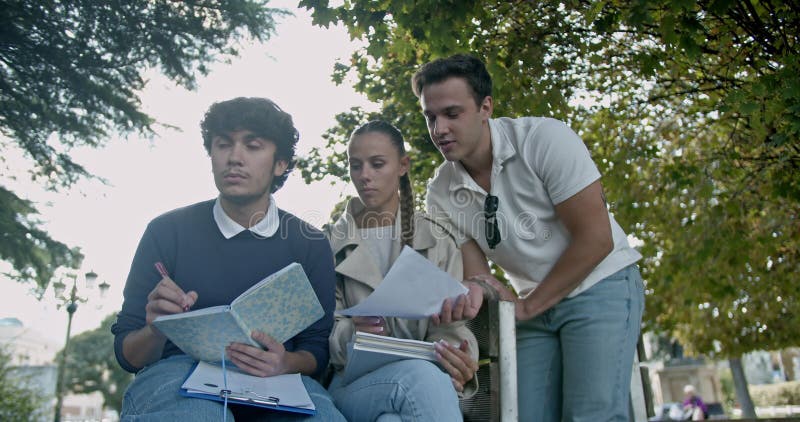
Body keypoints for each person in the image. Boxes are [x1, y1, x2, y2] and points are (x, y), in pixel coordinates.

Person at [412, 53, 645, 421]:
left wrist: (526, 307)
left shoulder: (544, 139)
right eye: (430, 117)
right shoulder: (440, 191)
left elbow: (597, 238)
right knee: (520, 415)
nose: (439, 129)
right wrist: (471, 300)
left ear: (485, 107)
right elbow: (478, 278)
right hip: (530, 306)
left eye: (452, 114)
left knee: (589, 414)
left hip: (600, 284)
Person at [111, 97, 345, 421]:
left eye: (252, 146)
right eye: (223, 145)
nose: (234, 158)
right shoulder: (166, 231)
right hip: (178, 374)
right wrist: (156, 330)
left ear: (280, 164)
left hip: (274, 379)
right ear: (211, 155)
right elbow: (128, 356)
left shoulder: (310, 244)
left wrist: (285, 362)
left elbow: (316, 350)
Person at [324, 120, 479, 421]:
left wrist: (456, 359)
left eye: (377, 164)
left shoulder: (437, 241)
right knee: (420, 378)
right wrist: (352, 332)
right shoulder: (328, 244)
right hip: (349, 386)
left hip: (419, 386)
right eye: (356, 166)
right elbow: (322, 333)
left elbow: (449, 325)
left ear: (403, 165)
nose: (364, 176)